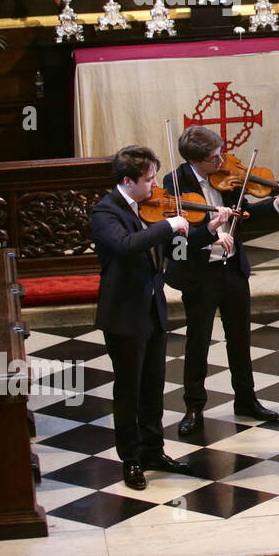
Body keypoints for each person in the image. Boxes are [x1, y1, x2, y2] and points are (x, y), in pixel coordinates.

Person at [163, 126, 279, 435]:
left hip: (232, 270)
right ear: (196, 162)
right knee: (198, 342)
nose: (222, 160)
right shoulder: (174, 183)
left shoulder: (226, 176)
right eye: (214, 157)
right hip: (200, 275)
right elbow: (176, 243)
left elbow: (246, 212)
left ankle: (246, 400)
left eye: (221, 152)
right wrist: (210, 234)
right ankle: (194, 407)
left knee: (240, 339)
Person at [90, 146, 192, 491]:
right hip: (124, 315)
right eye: (148, 180)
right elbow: (126, 245)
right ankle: (131, 459)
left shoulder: (148, 208)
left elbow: (168, 238)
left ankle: (153, 450)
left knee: (153, 386)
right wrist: (168, 225)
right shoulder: (105, 212)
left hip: (152, 310)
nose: (154, 186)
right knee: (128, 390)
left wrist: (211, 227)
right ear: (127, 181)